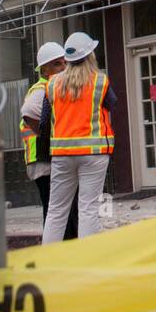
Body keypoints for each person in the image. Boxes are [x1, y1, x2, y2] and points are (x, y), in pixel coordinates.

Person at [39, 32, 117, 243]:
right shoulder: (100, 81)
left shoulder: (53, 84)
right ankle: (86, 261)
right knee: (88, 209)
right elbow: (111, 104)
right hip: (94, 153)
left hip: (62, 156)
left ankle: (49, 261)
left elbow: (44, 121)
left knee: (56, 210)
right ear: (90, 55)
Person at [20, 41, 79, 240]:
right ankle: (59, 248)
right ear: (44, 69)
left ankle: (65, 247)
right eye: (57, 64)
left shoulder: (56, 87)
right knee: (56, 210)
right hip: (43, 160)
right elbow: (28, 115)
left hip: (50, 158)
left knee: (61, 209)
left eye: (64, 63)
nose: (63, 67)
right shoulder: (42, 89)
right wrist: (49, 139)